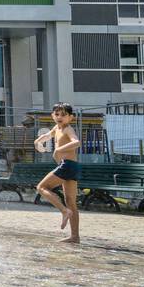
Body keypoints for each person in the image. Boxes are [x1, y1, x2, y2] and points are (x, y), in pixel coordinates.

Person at [35, 103, 82, 243]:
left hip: (67, 165)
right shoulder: (57, 128)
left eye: (63, 115)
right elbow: (47, 135)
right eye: (57, 114)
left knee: (41, 188)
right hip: (72, 167)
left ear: (71, 117)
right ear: (52, 116)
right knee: (71, 202)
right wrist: (38, 141)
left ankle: (63, 211)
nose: (59, 117)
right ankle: (75, 237)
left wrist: (58, 150)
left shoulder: (68, 129)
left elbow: (77, 142)